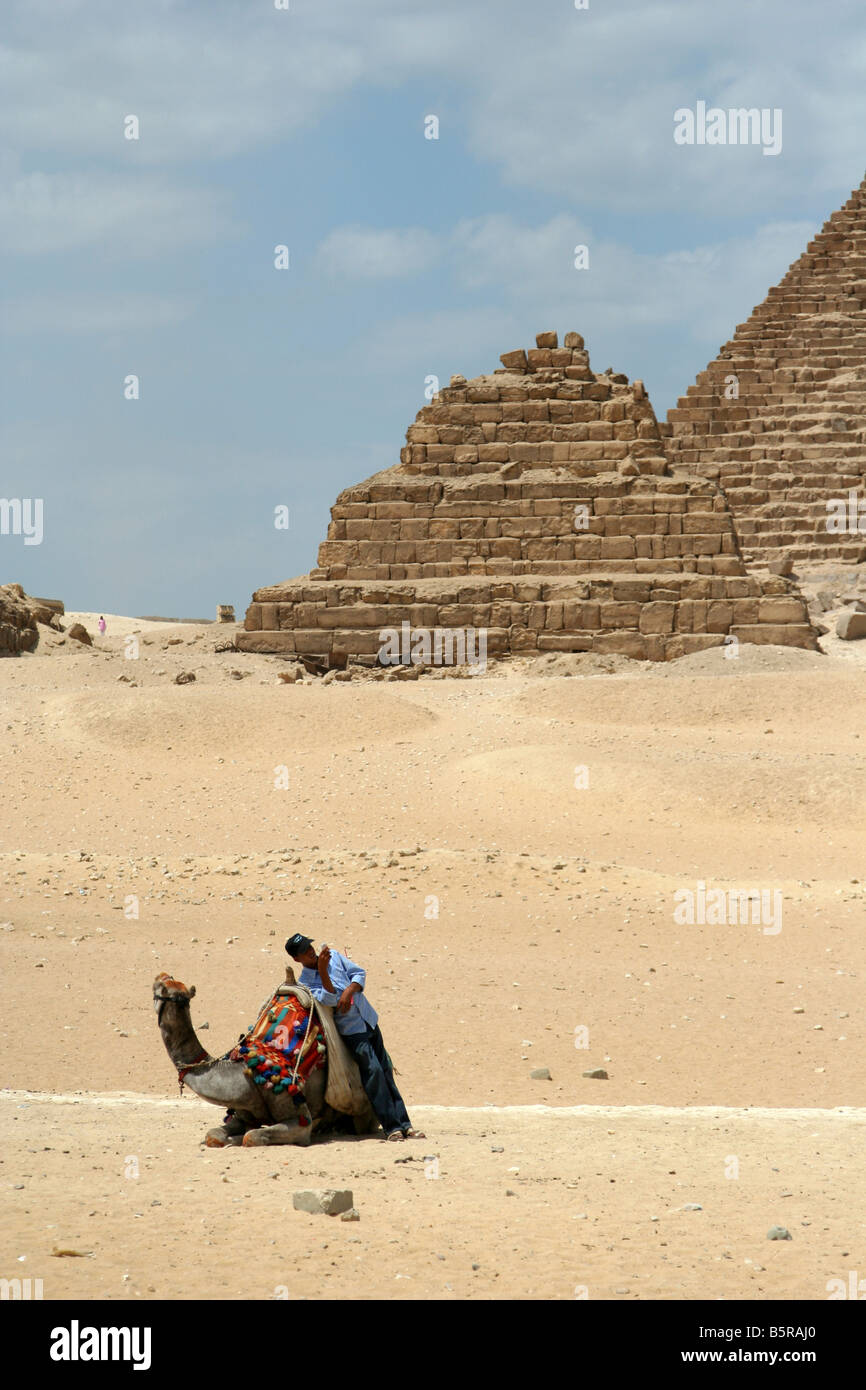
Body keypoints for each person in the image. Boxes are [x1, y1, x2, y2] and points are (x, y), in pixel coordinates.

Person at [285, 932, 425, 1143]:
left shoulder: (334, 956)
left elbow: (359, 973)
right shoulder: (306, 982)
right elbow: (330, 1000)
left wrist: (350, 989)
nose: (311, 952)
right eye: (305, 951)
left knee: (386, 1070)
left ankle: (406, 1125)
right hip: (351, 1030)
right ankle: (392, 1127)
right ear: (297, 959)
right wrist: (323, 972)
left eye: (309, 946)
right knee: (374, 1072)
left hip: (368, 1019)